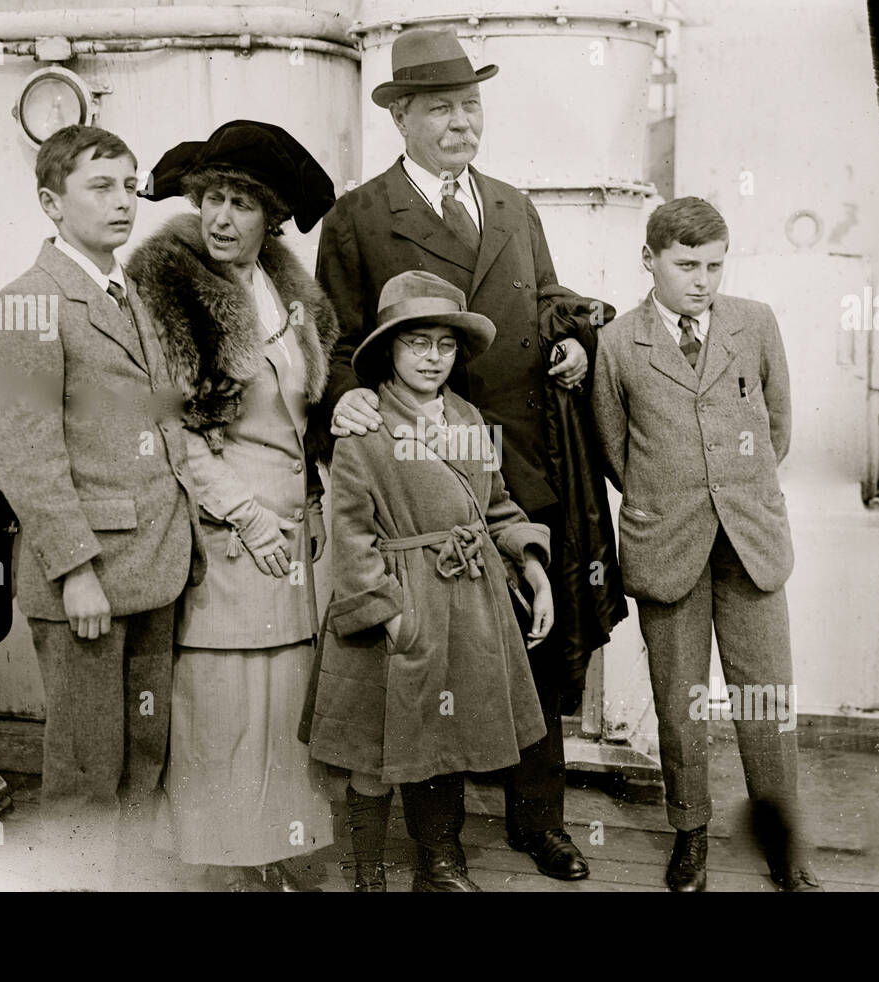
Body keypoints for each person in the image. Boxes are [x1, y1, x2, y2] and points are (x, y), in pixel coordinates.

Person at [315, 26, 624, 882]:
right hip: (416, 477)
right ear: (402, 117)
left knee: (538, 649)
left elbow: (550, 298)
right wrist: (345, 399)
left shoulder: (513, 205)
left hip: (518, 470)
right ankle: (440, 846)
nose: (462, 123)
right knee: (430, 668)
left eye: (472, 105)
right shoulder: (359, 218)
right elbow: (338, 343)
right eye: (443, 108)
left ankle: (540, 821)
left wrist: (573, 345)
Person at [0, 124, 206, 890]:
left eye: (129, 183)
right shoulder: (27, 305)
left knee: (144, 757)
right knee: (85, 771)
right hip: (89, 581)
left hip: (153, 569)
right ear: (51, 203)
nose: (124, 201)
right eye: (100, 187)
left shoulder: (130, 292)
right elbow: (25, 452)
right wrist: (76, 569)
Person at [128, 120, 340, 891]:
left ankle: (272, 852)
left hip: (293, 522)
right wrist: (244, 516)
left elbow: (299, 414)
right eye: (210, 199)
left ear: (271, 217)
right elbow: (170, 429)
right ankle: (220, 866)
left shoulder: (284, 285)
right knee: (221, 702)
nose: (220, 218)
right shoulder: (166, 286)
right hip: (224, 528)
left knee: (284, 700)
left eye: (240, 204)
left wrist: (309, 504)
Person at [591, 197, 822, 892]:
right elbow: (614, 449)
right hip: (668, 545)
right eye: (687, 265)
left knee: (765, 698)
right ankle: (689, 833)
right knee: (679, 699)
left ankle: (783, 846)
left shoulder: (754, 323)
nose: (703, 281)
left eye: (715, 266)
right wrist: (673, 496)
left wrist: (734, 488)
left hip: (750, 540)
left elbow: (777, 427)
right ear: (650, 260)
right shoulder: (616, 343)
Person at [303, 270, 554, 892]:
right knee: (376, 749)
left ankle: (438, 861)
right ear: (389, 347)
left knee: (444, 740)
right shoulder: (363, 427)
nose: (431, 357)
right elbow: (352, 534)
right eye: (416, 342)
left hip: (468, 601)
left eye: (444, 344)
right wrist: (390, 614)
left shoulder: (470, 418)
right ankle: (366, 869)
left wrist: (532, 566)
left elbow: (495, 508)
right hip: (399, 600)